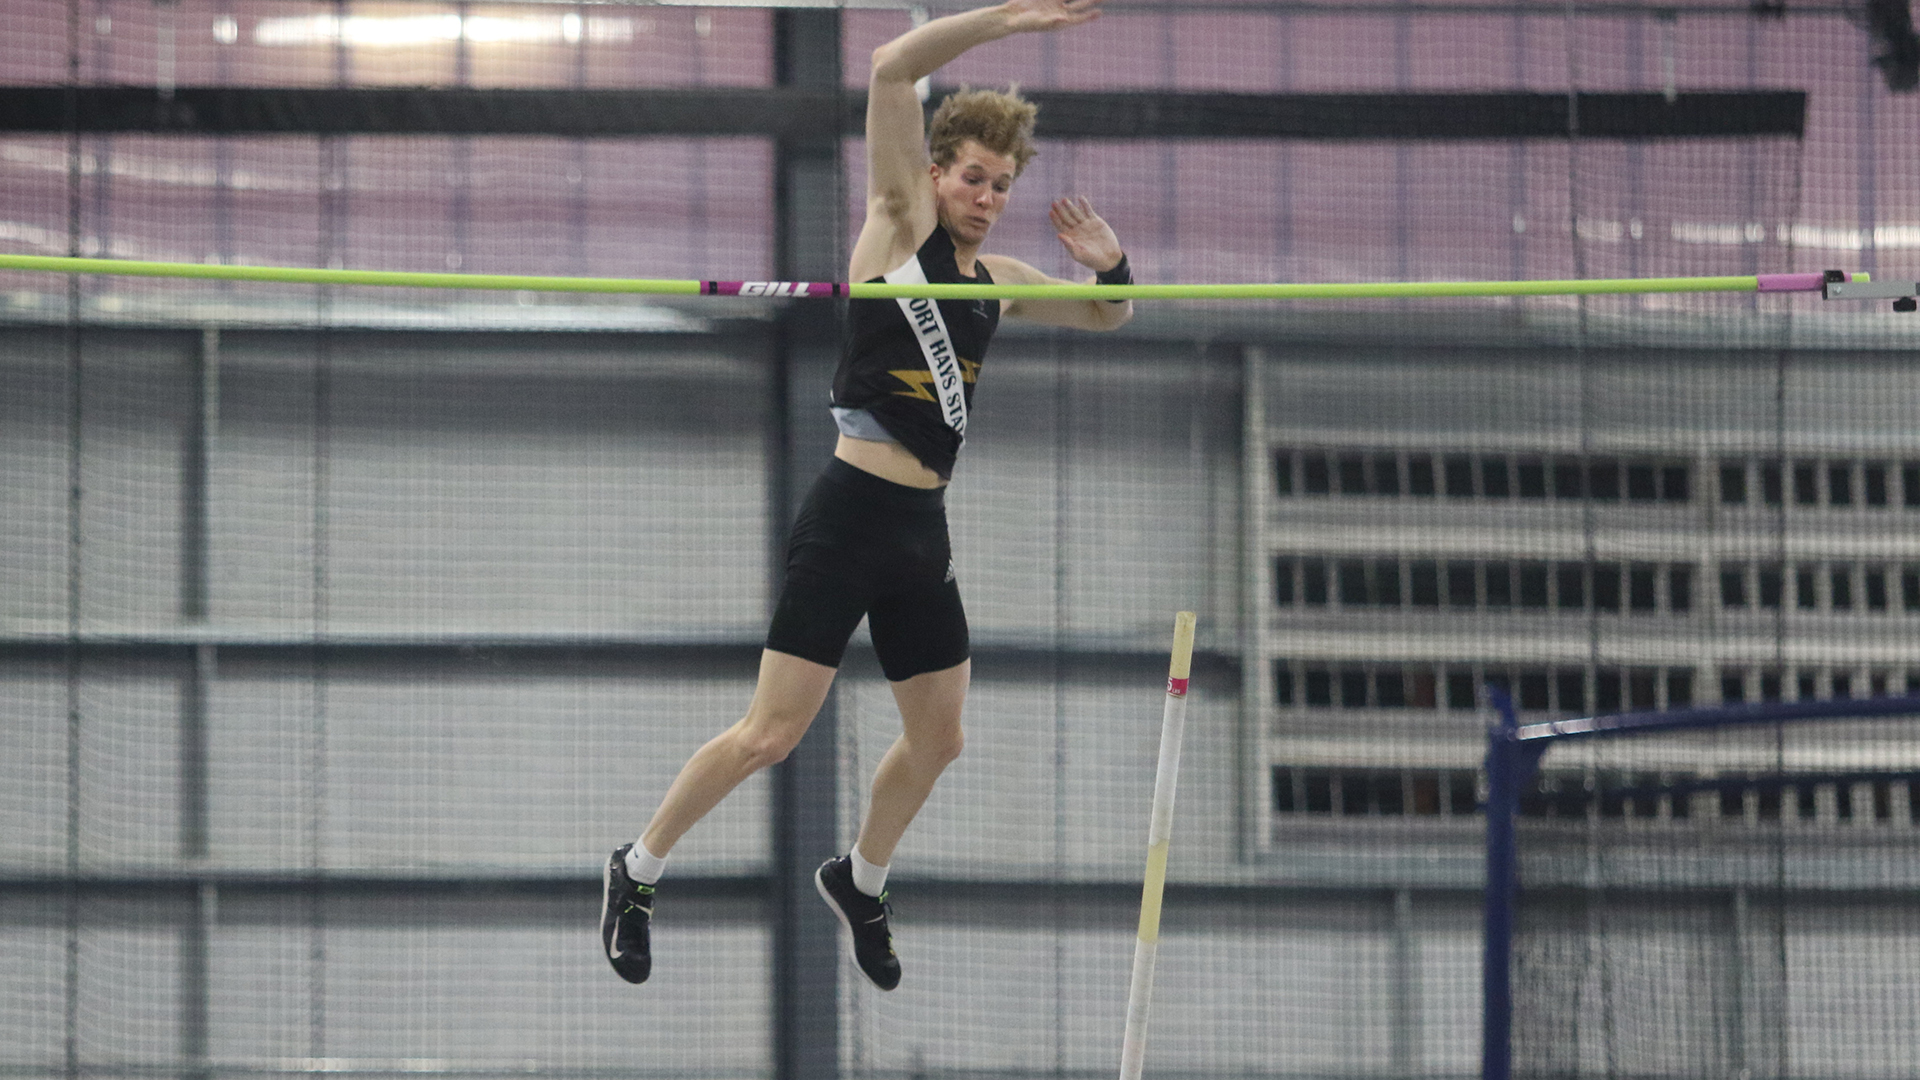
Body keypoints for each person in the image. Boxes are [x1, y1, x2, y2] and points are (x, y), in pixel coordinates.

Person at [601, 0, 1133, 990]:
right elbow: (891, 66)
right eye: (972, 176)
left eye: (1001, 184)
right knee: (770, 734)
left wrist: (1111, 265)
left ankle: (861, 876)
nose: (986, 195)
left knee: (942, 738)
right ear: (935, 174)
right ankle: (636, 871)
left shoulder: (1001, 278)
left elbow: (1107, 313)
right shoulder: (899, 227)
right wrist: (1006, 22)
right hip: (849, 516)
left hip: (919, 533)